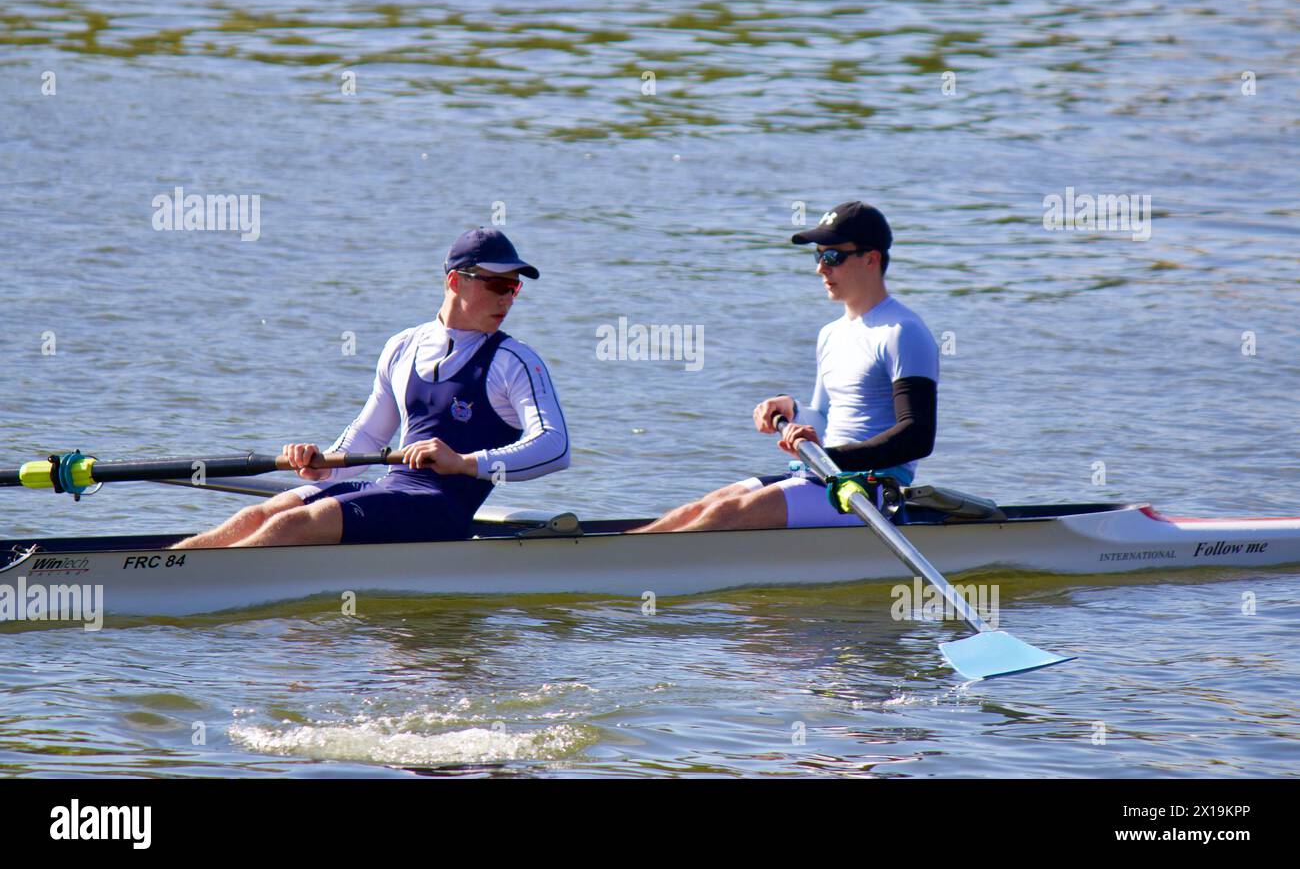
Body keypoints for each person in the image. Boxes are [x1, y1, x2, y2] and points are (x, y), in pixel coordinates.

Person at [173, 227, 569, 548]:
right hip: (388, 488)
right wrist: (320, 463)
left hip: (440, 508)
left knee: (294, 523)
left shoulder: (513, 361)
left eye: (513, 288)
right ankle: (170, 568)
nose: (508, 298)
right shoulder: (403, 347)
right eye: (497, 286)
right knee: (260, 515)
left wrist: (465, 463)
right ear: (455, 281)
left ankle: (201, 590)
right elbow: (367, 437)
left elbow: (556, 446)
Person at [633, 201, 937, 533]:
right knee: (697, 510)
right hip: (825, 474)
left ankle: (638, 572)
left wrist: (831, 457)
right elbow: (823, 419)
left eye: (832, 257)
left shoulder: (903, 332)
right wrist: (791, 410)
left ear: (871, 258)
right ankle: (623, 554)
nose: (821, 268)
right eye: (817, 255)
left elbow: (917, 437)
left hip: (873, 490)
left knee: (727, 515)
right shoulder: (831, 335)